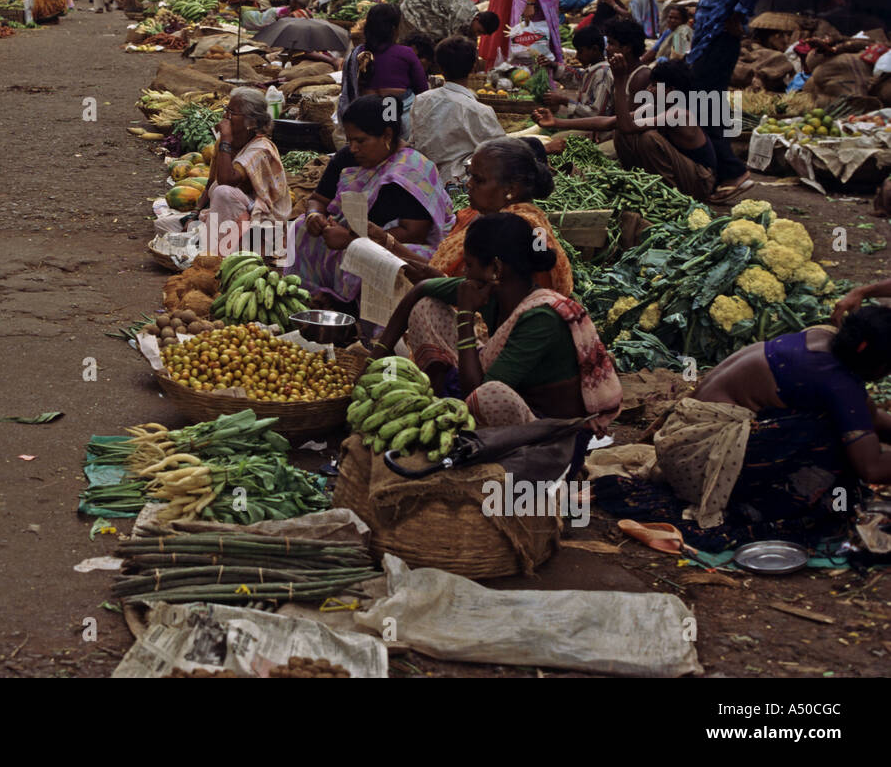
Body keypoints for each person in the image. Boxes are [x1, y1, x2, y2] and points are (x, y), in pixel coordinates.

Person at [595, 305, 891, 551]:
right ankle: (753, 505)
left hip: (682, 441)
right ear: (870, 357)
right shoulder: (837, 382)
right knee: (826, 435)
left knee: (833, 425)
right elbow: (871, 467)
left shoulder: (821, 338)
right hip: (700, 460)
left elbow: (870, 417)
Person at [374, 212, 620, 438]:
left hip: (548, 430)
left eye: (469, 265)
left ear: (495, 268)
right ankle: (438, 403)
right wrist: (375, 357)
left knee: (492, 394)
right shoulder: (492, 290)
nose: (465, 274)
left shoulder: (542, 317)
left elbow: (478, 393)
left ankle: (460, 425)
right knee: (427, 306)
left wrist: (466, 315)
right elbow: (420, 289)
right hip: (493, 390)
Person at [281, 96, 454, 309]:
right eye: (350, 140)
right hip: (352, 234)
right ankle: (308, 299)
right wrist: (314, 215)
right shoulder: (347, 158)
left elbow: (415, 233)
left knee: (374, 259)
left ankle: (354, 313)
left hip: (403, 247)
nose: (353, 148)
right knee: (300, 227)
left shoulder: (412, 169)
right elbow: (318, 199)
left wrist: (354, 241)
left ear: (387, 136)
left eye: (361, 141)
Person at [373, 137, 574, 300]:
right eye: (470, 175)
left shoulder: (523, 228)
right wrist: (385, 240)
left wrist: (387, 242)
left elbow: (513, 294)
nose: (468, 185)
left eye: (479, 180)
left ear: (511, 189)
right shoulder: (476, 217)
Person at [687, 0, 763, 204]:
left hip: (720, 42)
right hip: (708, 42)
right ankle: (720, 172)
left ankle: (733, 172)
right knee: (705, 103)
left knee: (704, 104)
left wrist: (737, 17)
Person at [531, 18, 652, 151]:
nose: (607, 48)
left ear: (627, 48)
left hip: (630, 140)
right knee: (556, 142)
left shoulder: (640, 77)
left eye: (611, 44)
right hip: (610, 131)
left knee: (590, 154)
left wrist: (600, 134)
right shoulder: (618, 70)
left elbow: (626, 124)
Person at [197, 87, 292, 254]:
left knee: (223, 192)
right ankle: (220, 242)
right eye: (226, 110)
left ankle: (220, 252)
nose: (226, 116)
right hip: (233, 211)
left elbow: (227, 180)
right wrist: (193, 214)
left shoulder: (261, 149)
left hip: (261, 219)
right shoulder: (223, 144)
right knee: (164, 225)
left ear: (252, 122)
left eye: (232, 112)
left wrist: (225, 139)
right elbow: (211, 183)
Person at [611, 58, 718, 200]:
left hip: (701, 181)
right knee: (620, 133)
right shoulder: (657, 108)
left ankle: (668, 197)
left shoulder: (680, 113)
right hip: (686, 175)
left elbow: (627, 125)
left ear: (670, 91)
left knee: (649, 138)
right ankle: (638, 183)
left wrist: (619, 82)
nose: (649, 89)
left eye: (654, 86)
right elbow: (614, 122)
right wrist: (570, 123)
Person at [408, 37, 505, 187]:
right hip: (458, 187)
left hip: (422, 182)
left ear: (440, 67)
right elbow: (501, 152)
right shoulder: (480, 111)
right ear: (474, 66)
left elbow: (413, 142)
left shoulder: (421, 100)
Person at [337, 2, 429, 138]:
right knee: (389, 138)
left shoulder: (355, 54)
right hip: (392, 110)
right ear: (394, 29)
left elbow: (347, 90)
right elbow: (423, 90)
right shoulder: (405, 53)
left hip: (366, 113)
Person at [541, 25, 613, 118]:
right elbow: (576, 76)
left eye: (580, 51)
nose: (577, 56)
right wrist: (553, 65)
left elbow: (595, 113)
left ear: (594, 49)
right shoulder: (593, 70)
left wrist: (565, 101)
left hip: (595, 129)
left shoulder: (602, 74)